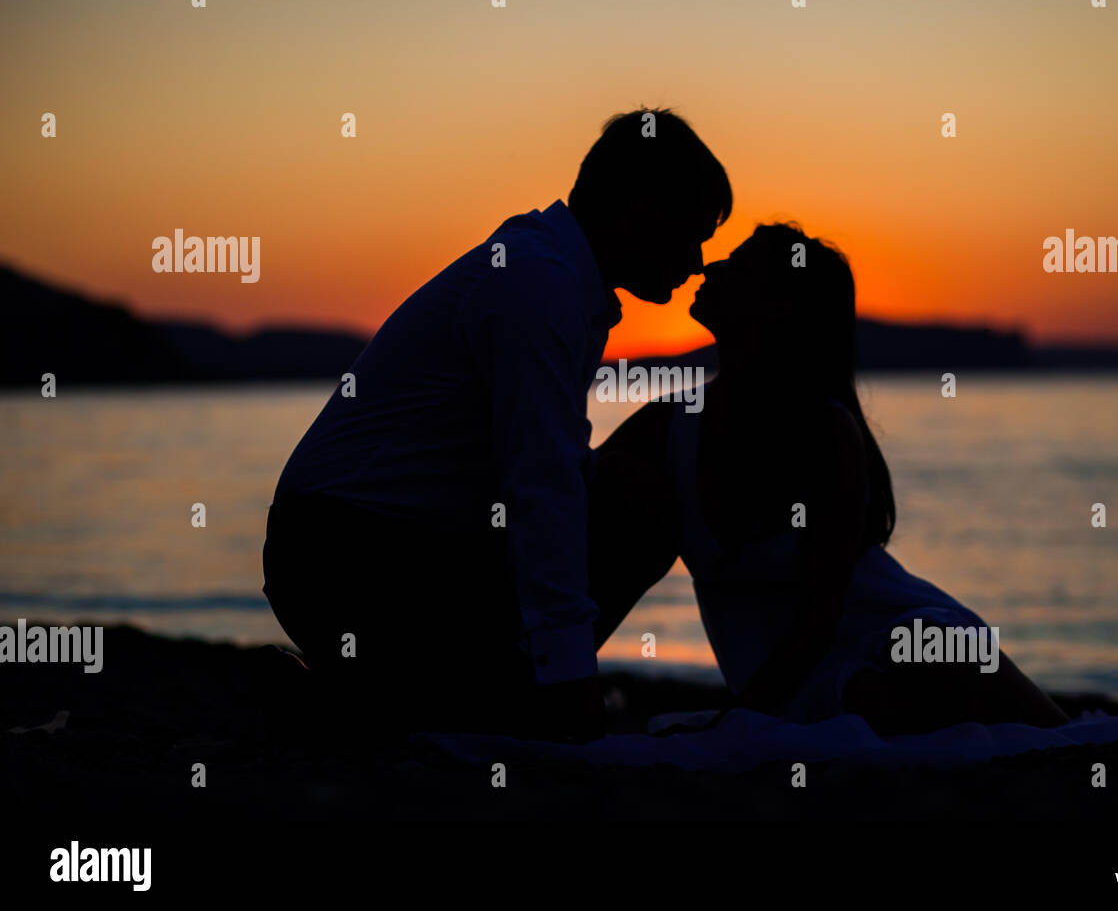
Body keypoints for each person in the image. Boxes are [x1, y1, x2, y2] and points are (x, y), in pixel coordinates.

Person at [262, 108, 731, 741]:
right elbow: (542, 488)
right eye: (690, 232)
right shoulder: (541, 286)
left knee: (657, 443)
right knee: (639, 499)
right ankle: (516, 693)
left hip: (384, 543)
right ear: (637, 209)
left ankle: (452, 687)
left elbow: (547, 471)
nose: (699, 259)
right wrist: (569, 681)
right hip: (347, 554)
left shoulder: (555, 274)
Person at [588, 223, 1069, 734]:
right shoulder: (669, 427)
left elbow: (818, 624)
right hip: (795, 693)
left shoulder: (824, 434)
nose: (711, 266)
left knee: (1060, 739)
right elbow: (570, 499)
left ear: (780, 309)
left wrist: (736, 721)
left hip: (897, 647)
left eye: (741, 264)